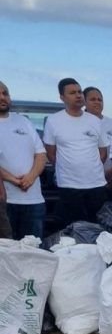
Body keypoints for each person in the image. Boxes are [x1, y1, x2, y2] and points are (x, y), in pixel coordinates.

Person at [43, 78, 108, 228]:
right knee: (73, 229)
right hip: (69, 186)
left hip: (96, 185)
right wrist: (68, 168)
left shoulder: (94, 121)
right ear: (62, 97)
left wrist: (90, 169)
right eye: (72, 93)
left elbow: (103, 153)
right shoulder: (54, 121)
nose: (78, 95)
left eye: (79, 92)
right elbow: (51, 154)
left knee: (98, 229)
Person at [0, 81, 47, 239]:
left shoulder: (24, 122)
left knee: (33, 249)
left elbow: (41, 154)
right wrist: (14, 179)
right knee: (6, 250)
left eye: (5, 93)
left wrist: (31, 177)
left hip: (34, 200)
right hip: (5, 201)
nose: (2, 97)